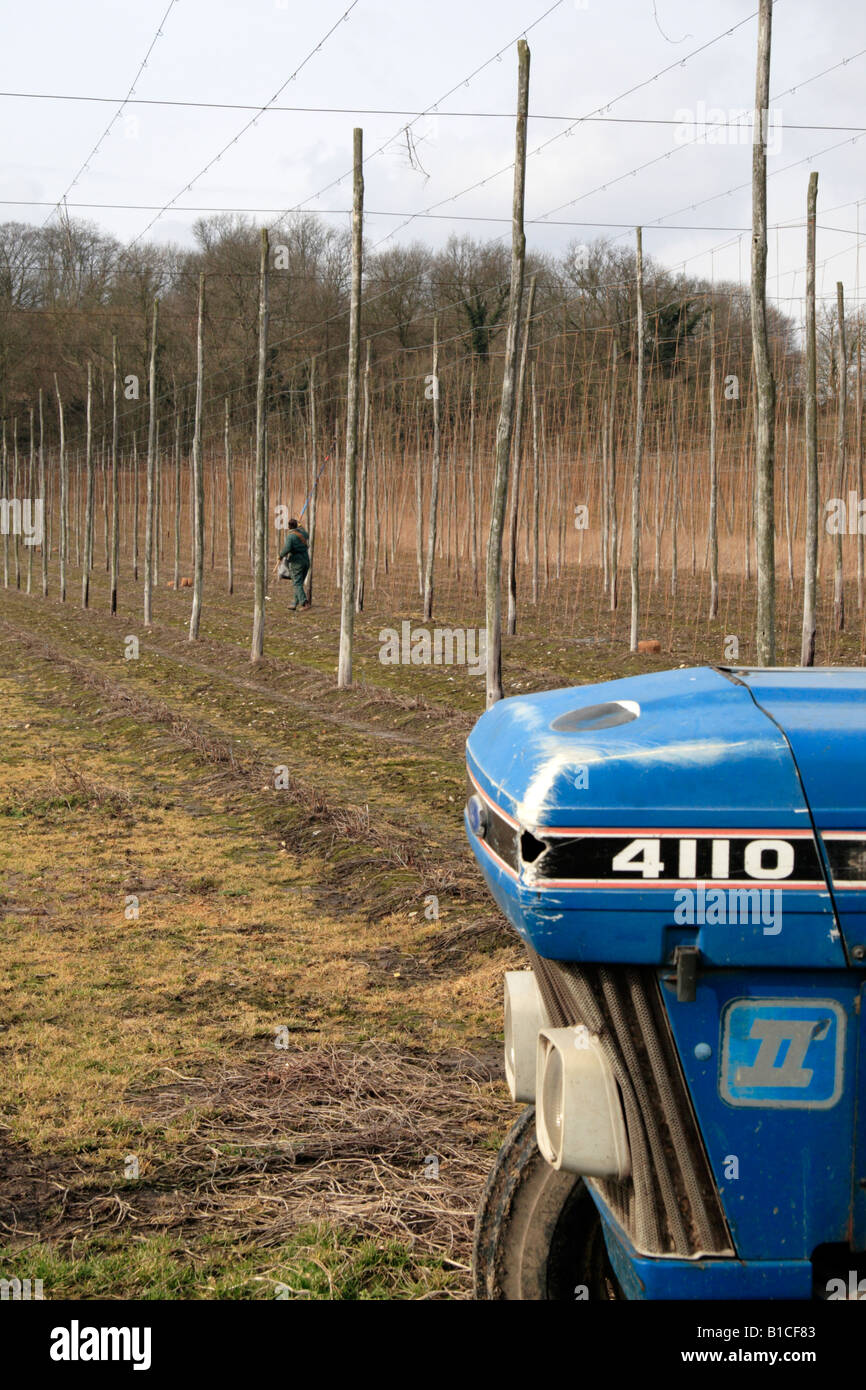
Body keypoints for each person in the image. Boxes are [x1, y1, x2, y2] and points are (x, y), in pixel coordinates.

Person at [279, 518, 310, 610]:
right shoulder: (303, 533)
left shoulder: (290, 537)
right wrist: (301, 526)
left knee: (297, 583)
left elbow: (287, 548)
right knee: (299, 584)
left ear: (289, 527)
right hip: (306, 561)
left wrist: (280, 556)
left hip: (297, 562)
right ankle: (294, 603)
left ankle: (304, 603)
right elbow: (306, 534)